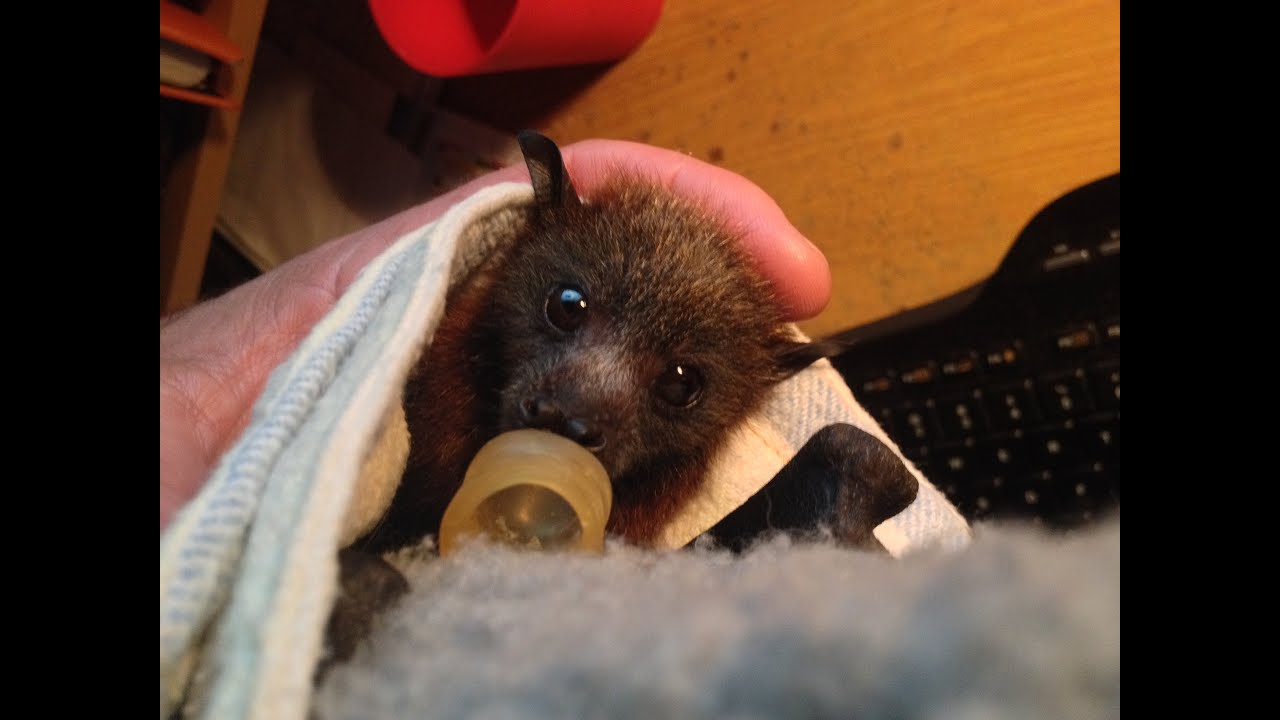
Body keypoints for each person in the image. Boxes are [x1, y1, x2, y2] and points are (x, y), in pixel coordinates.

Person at [160, 138, 831, 531]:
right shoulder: (445, 370)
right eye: (568, 311)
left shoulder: (663, 492)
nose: (580, 408)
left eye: (679, 386)